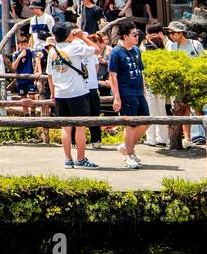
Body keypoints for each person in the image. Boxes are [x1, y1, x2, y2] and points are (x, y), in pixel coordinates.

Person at [45, 23, 99, 169]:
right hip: (77, 92)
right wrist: (81, 37)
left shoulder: (52, 51)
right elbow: (97, 50)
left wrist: (53, 92)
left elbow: (50, 74)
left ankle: (68, 159)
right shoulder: (75, 46)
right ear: (69, 34)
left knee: (65, 127)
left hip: (60, 93)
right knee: (80, 127)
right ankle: (81, 159)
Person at [107, 22, 149, 168]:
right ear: (125, 36)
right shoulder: (116, 52)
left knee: (146, 121)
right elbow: (112, 76)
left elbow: (141, 72)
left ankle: (127, 147)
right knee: (130, 125)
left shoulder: (136, 50)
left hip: (138, 92)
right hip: (126, 92)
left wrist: (143, 91)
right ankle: (128, 155)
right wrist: (117, 97)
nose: (137, 37)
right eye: (134, 34)